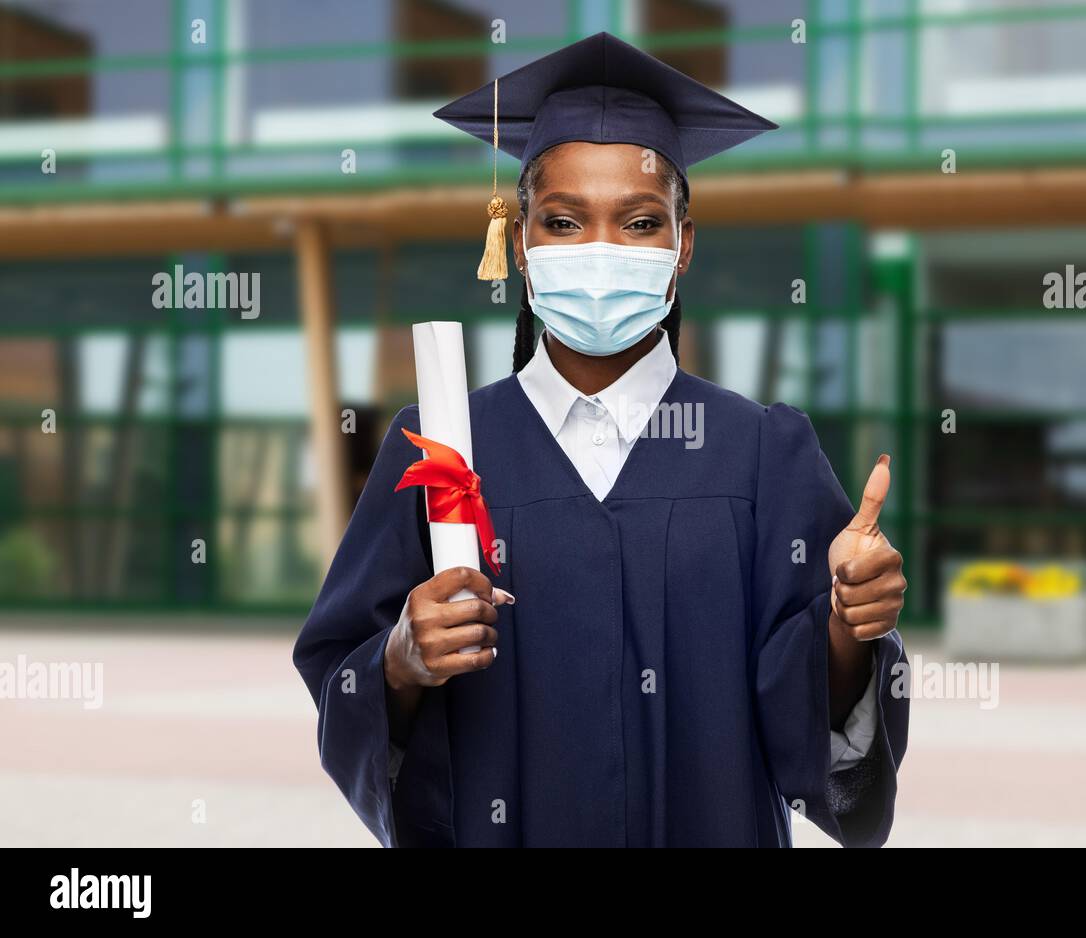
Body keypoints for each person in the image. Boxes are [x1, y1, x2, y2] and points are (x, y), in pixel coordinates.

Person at [293, 32, 908, 848]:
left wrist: (847, 624)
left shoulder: (762, 453)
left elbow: (815, 717)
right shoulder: (439, 447)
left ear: (683, 246)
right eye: (563, 220)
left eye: (641, 221)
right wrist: (402, 658)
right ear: (519, 243)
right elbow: (344, 664)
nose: (600, 252)